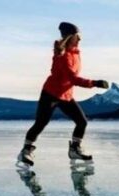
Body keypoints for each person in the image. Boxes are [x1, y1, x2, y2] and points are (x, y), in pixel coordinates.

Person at [18, 22, 110, 167]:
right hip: (51, 94)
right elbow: (72, 78)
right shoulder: (62, 55)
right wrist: (95, 83)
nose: (80, 39)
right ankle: (26, 151)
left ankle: (75, 149)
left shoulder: (75, 53)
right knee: (41, 123)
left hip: (65, 95)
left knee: (82, 121)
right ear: (70, 37)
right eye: (77, 36)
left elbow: (71, 79)